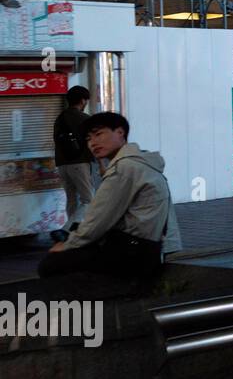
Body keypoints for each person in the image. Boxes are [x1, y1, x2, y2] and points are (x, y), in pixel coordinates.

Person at [38, 111, 182, 280]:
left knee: (50, 264)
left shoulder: (123, 169)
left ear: (120, 132)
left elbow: (97, 219)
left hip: (131, 253)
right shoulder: (143, 162)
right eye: (88, 139)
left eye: (99, 134)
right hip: (149, 249)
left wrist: (69, 244)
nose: (93, 142)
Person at [52, 85, 95, 243]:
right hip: (79, 163)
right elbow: (93, 142)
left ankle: (72, 233)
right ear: (83, 100)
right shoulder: (84, 118)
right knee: (88, 199)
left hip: (62, 164)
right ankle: (66, 229)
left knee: (71, 199)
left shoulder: (60, 118)